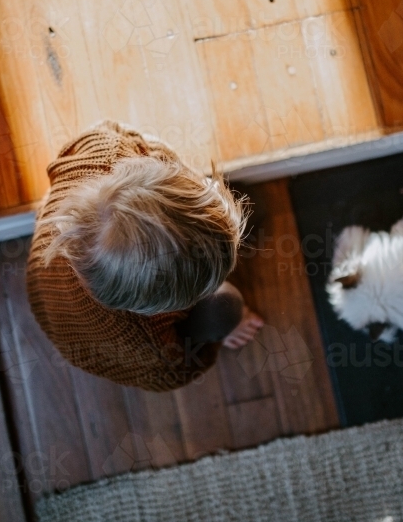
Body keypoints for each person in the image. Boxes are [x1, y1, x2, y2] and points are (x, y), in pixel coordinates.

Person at [26, 120, 264, 391]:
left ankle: (52, 204)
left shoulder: (104, 152)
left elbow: (117, 132)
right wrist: (209, 346)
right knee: (227, 305)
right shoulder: (143, 339)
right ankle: (230, 323)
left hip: (42, 271)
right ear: (155, 310)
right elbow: (174, 374)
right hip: (78, 336)